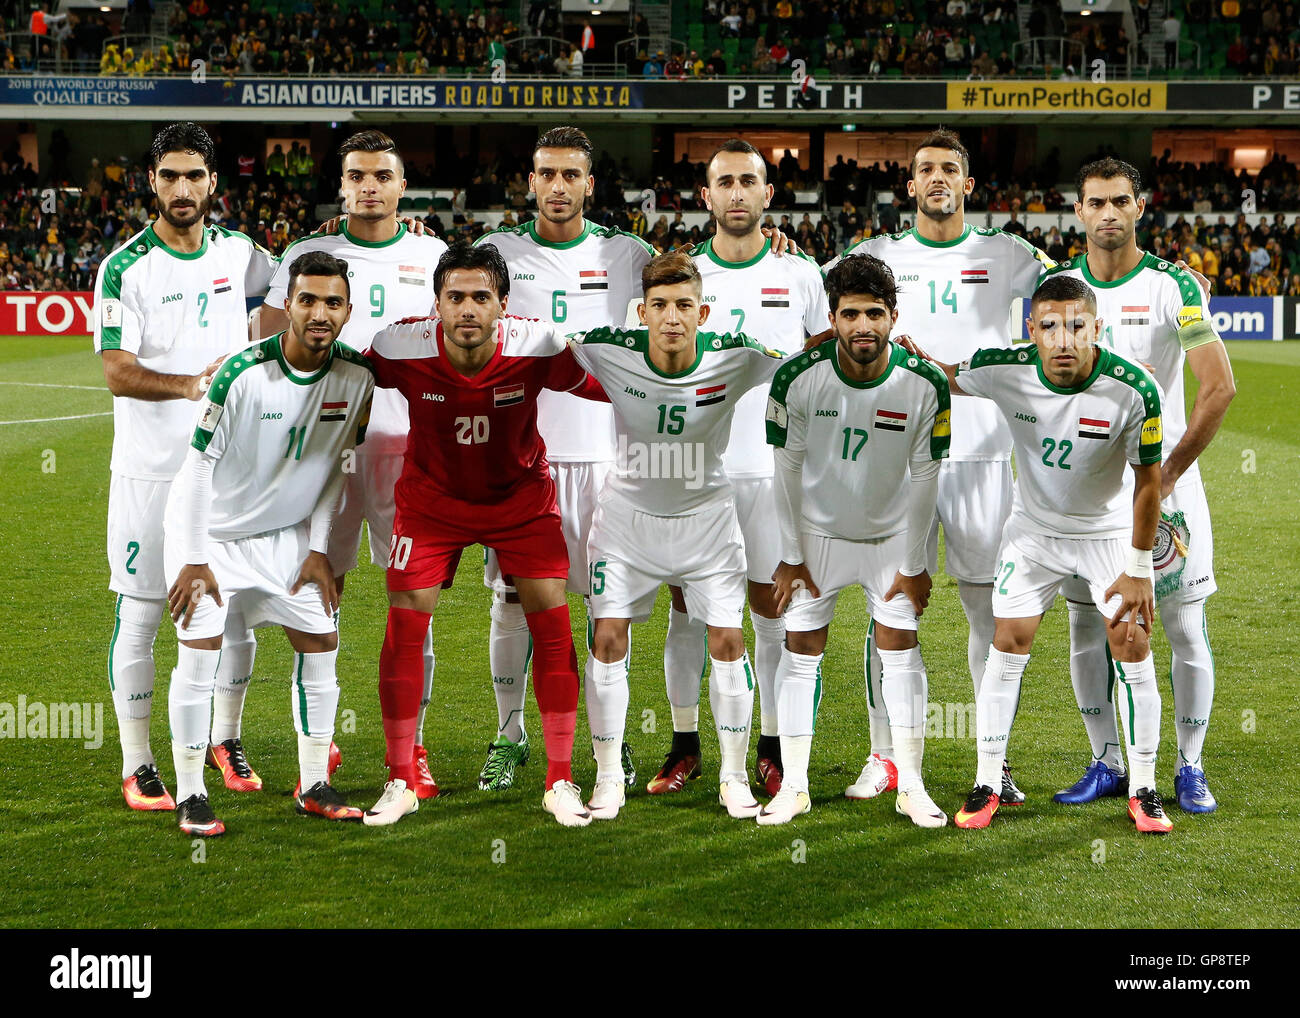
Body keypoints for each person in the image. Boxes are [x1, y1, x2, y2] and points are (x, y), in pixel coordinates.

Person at [828, 129, 1055, 806]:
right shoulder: (876, 255)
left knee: (990, 607)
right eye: (924, 168)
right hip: (898, 457)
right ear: (909, 185)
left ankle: (995, 762)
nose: (936, 178)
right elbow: (815, 299)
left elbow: (1081, 279)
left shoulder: (1008, 253)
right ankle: (887, 756)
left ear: (967, 185)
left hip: (983, 454)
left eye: (948, 169)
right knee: (892, 607)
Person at [362, 242, 607, 828]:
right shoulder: (398, 346)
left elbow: (604, 384)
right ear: (436, 304)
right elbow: (333, 372)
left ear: (503, 304)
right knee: (405, 620)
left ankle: (559, 779)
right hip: (432, 503)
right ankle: (400, 777)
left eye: (480, 297)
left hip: (519, 500)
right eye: (455, 297)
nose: (467, 308)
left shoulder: (540, 344)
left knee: (550, 619)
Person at [924, 274, 1172, 835]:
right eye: (1051, 327)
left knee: (1130, 641)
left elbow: (1150, 483)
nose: (1064, 341)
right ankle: (989, 780)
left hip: (1106, 533)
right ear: (1031, 330)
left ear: (1097, 329)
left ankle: (1144, 787)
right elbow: (942, 376)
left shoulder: (1133, 388)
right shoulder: (1000, 367)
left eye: (1077, 327)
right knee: (1006, 641)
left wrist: (1138, 571)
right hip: (1032, 532)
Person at [94, 122, 277, 814]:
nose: (181, 188)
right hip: (151, 474)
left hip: (230, 474)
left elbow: (291, 286)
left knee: (233, 616)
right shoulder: (124, 267)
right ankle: (139, 762)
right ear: (151, 182)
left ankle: (225, 741)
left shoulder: (241, 253)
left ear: (213, 184)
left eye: (193, 175)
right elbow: (117, 372)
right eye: (168, 175)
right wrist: (190, 387)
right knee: (141, 614)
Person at [638, 138, 829, 801]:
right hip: (699, 474)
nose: (739, 192)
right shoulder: (684, 280)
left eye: (751, 181)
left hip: (777, 475)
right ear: (706, 196)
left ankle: (773, 748)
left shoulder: (802, 276)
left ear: (768, 195)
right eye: (727, 182)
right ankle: (686, 744)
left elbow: (821, 372)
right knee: (689, 615)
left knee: (774, 615)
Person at [260, 130, 449, 800]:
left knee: (412, 602)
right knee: (314, 591)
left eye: (382, 175)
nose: (369, 186)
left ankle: (412, 749)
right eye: (356, 175)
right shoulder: (310, 255)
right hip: (322, 454)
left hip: (409, 454)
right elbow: (266, 349)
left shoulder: (434, 254)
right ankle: (320, 747)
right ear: (341, 184)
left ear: (403, 185)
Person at [164, 251, 376, 836]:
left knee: (321, 639)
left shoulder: (358, 379)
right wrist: (194, 558)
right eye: (306, 299)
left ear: (348, 311)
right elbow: (199, 467)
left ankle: (313, 784)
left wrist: (318, 548)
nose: (319, 312)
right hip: (211, 534)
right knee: (200, 651)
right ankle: (190, 792)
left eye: (332, 302)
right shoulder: (241, 372)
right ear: (287, 304)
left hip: (286, 537)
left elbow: (338, 469)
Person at [569, 252, 785, 820]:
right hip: (626, 523)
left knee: (727, 643)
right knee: (608, 638)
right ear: (641, 311)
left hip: (707, 521)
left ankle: (734, 777)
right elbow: (534, 343)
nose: (672, 318)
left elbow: (805, 360)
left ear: (702, 311)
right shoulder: (605, 347)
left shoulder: (739, 357)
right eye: (659, 306)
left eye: (684, 305)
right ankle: (609, 777)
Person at [1047, 158, 1234, 813]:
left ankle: (1189, 766)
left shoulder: (1174, 287)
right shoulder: (1059, 286)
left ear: (1140, 207)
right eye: (1095, 202)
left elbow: (1219, 386)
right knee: (1085, 627)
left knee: (1181, 625)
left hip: (1167, 492)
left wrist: (1170, 473)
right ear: (1078, 211)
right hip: (1085, 495)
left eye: (1119, 202)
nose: (1107, 214)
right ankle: (1105, 761)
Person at [473, 126, 654, 791]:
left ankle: (611, 740)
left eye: (570, 175)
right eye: (546, 174)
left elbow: (690, 294)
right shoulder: (497, 253)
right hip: (524, 460)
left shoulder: (629, 254)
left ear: (589, 184)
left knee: (607, 607)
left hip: (610, 458)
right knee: (515, 601)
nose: (557, 186)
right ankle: (509, 734)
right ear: (530, 181)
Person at [761, 254, 950, 827]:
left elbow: (925, 478)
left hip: (891, 539)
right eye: (850, 314)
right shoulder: (795, 377)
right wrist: (792, 556)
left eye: (874, 313)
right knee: (800, 656)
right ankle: (794, 785)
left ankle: (910, 784)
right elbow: (785, 472)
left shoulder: (926, 383)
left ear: (894, 316)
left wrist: (915, 564)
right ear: (832, 317)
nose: (862, 326)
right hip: (817, 537)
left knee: (901, 653)